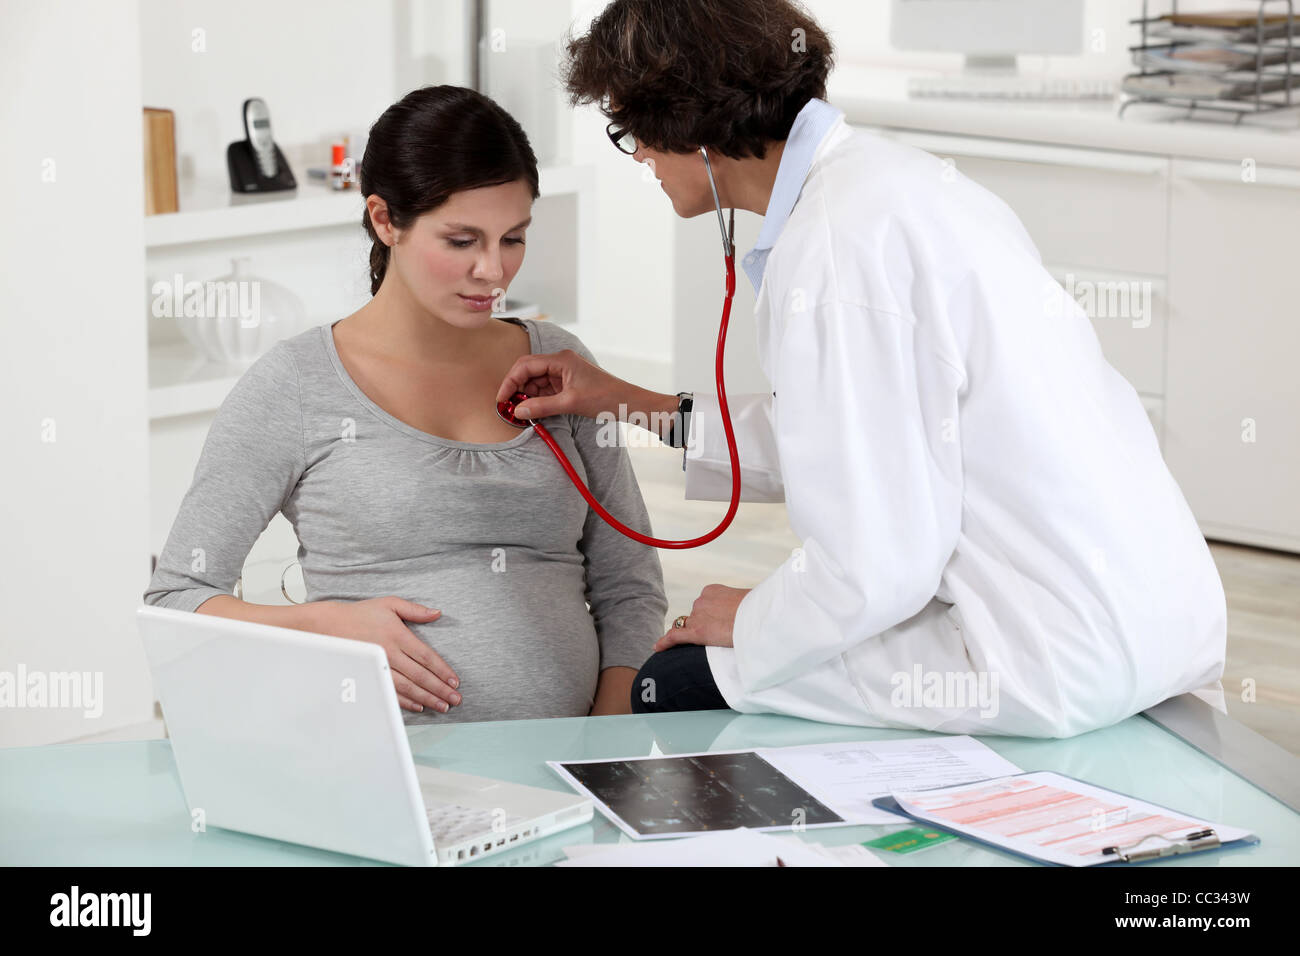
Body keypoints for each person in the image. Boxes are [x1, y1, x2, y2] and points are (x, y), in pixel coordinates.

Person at [495, 0, 1227, 737]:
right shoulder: (893, 187)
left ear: (690, 119)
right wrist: (620, 399)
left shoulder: (836, 248)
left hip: (1049, 654)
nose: (640, 159)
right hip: (1161, 618)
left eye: (631, 132)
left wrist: (749, 616)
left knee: (672, 683)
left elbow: (877, 567)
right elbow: (835, 433)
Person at [144, 85, 668, 723]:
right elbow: (177, 598)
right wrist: (321, 628)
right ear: (384, 219)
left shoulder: (558, 363)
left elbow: (629, 585)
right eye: (461, 241)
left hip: (572, 772)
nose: (494, 271)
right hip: (385, 779)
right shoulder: (297, 383)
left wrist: (608, 742)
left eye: (513, 238)